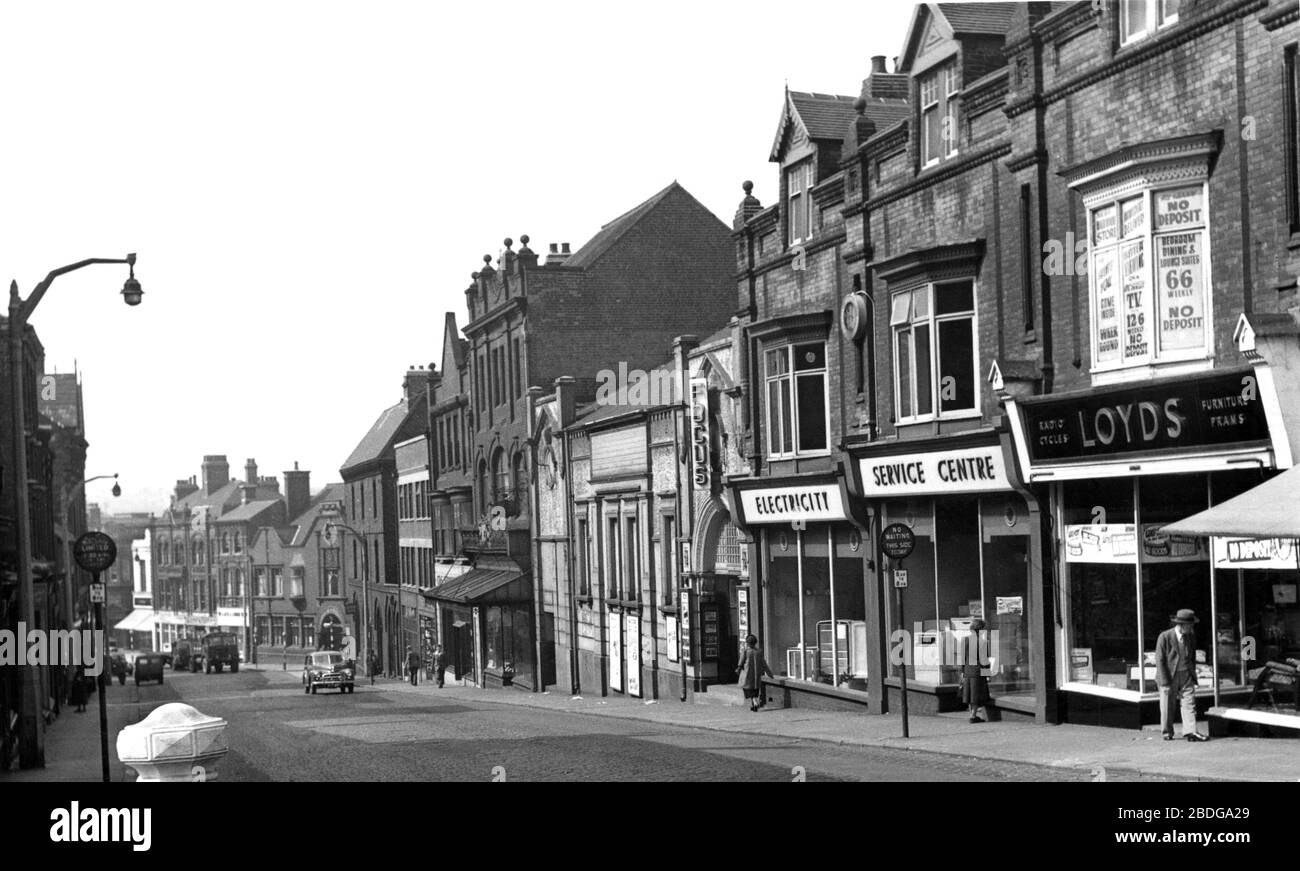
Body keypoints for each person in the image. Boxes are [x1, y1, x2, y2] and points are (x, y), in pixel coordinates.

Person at [1155, 609, 1209, 742]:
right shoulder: (1165, 636)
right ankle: (1167, 732)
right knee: (1167, 705)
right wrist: (1164, 681)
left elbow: (1192, 656)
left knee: (1189, 703)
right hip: (1169, 675)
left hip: (1186, 674)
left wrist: (1192, 673)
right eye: (1190, 625)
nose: (1192, 628)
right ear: (1181, 625)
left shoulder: (1190, 636)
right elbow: (1160, 659)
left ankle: (1190, 731)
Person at [961, 619, 992, 723]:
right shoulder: (982, 642)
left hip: (968, 670)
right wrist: (987, 674)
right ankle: (973, 716)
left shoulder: (964, 640)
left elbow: (962, 658)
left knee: (970, 693)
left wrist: (963, 671)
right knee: (975, 694)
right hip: (977, 671)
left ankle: (972, 714)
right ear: (980, 629)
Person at [736, 634, 773, 712]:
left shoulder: (746, 651)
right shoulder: (759, 652)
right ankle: (754, 704)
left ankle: (754, 702)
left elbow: (741, 661)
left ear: (747, 643)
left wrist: (738, 668)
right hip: (756, 675)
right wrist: (769, 673)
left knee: (747, 689)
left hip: (747, 674)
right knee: (755, 689)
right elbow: (764, 663)